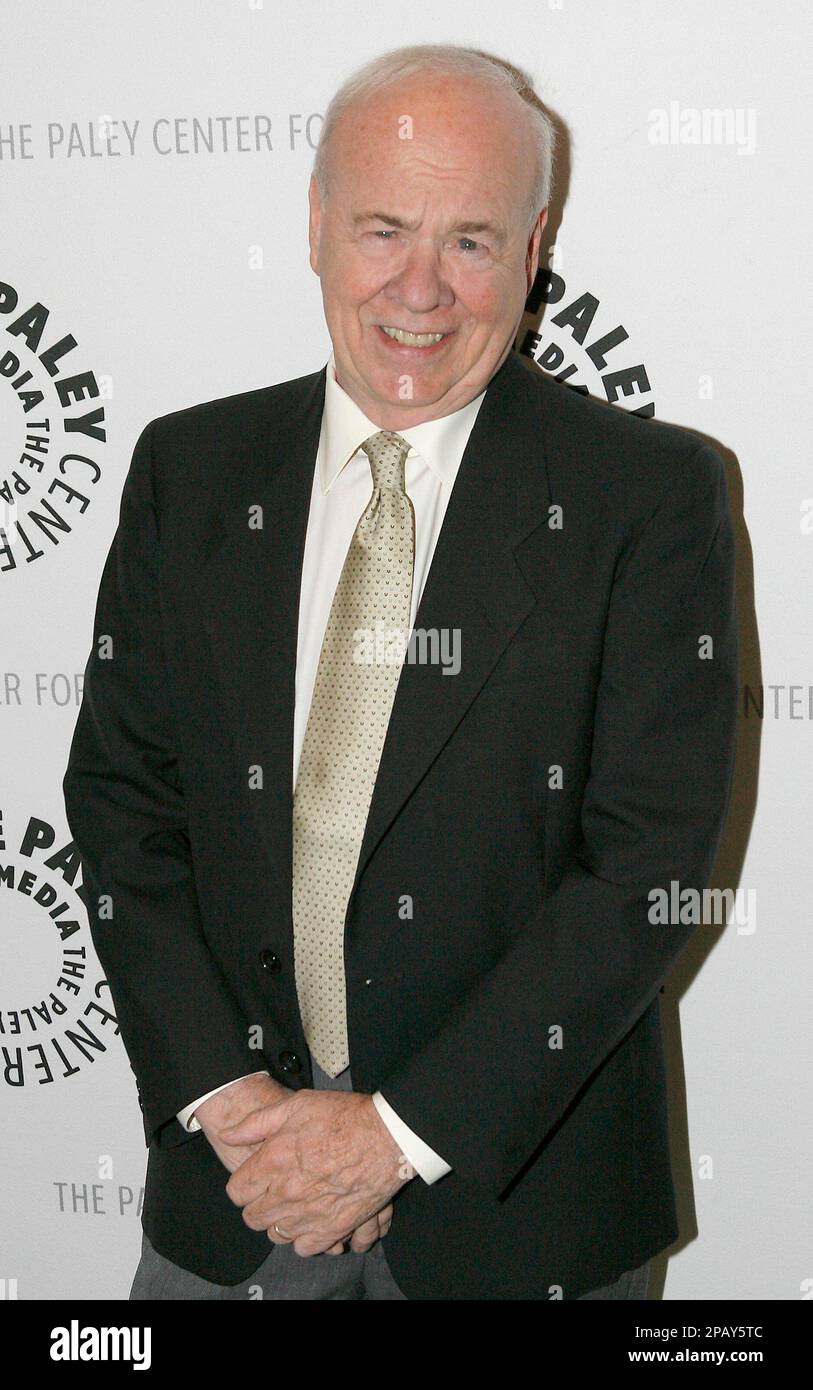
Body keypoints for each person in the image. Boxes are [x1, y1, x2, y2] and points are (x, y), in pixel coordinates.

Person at [62, 42, 739, 1301]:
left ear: (533, 251)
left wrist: (390, 1138)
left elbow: (648, 866)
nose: (421, 289)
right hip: (233, 1197)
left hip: (523, 1216)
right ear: (316, 225)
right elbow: (120, 804)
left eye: (473, 241)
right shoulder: (189, 474)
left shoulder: (646, 497)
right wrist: (233, 1101)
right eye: (383, 229)